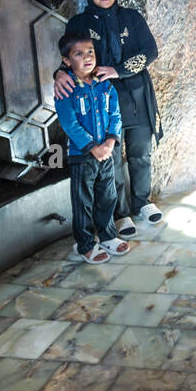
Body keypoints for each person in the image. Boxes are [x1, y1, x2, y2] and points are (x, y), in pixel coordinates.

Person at [52, 0, 164, 236]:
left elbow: (150, 51)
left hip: (137, 95)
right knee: (111, 159)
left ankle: (142, 203)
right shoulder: (78, 23)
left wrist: (118, 70)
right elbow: (72, 56)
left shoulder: (132, 18)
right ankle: (121, 213)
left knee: (140, 153)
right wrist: (59, 72)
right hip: (100, 104)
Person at [53, 32, 131, 264]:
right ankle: (85, 244)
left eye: (90, 52)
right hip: (82, 156)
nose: (87, 57)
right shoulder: (66, 89)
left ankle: (108, 236)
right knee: (83, 201)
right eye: (79, 54)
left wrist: (109, 142)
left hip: (107, 152)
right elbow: (69, 123)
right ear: (66, 61)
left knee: (108, 196)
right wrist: (92, 147)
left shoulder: (105, 85)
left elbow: (115, 115)